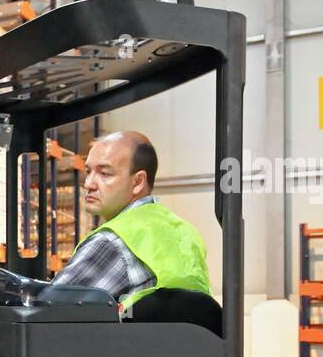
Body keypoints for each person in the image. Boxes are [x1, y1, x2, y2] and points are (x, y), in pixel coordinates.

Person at [51, 131, 212, 312]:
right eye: (88, 172)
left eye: (104, 173)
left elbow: (47, 310)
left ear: (138, 182)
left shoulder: (113, 241)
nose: (89, 184)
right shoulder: (185, 234)